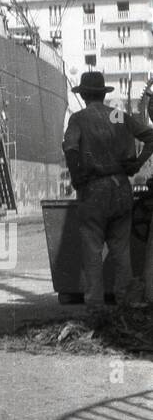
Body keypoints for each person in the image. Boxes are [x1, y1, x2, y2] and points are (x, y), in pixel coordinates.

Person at [63, 70, 153, 318]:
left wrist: (76, 177)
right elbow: (150, 136)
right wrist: (136, 164)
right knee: (120, 250)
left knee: (92, 249)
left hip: (94, 191)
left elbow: (70, 148)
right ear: (103, 95)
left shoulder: (79, 119)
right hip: (121, 189)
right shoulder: (118, 115)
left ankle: (95, 307)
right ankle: (125, 302)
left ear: (83, 95)